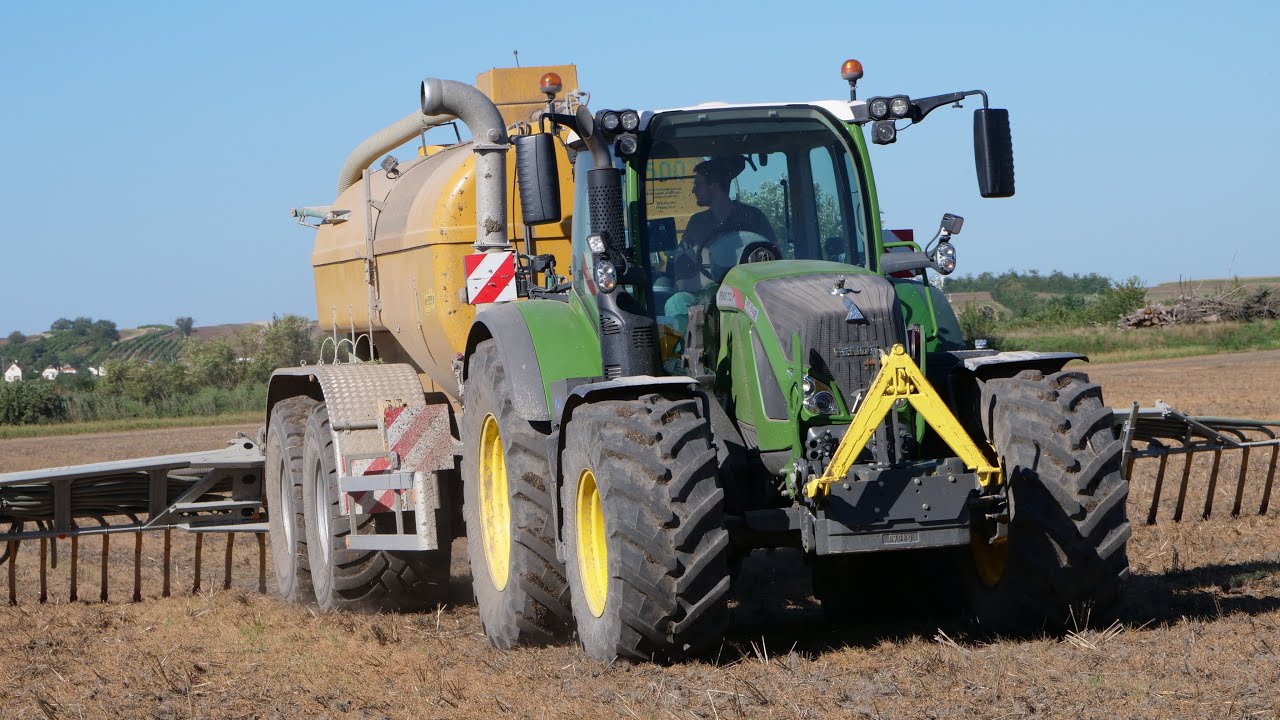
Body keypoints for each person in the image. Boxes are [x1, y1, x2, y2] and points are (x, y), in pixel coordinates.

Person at [681, 157, 777, 254]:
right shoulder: (697, 223)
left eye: (698, 184)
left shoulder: (753, 217)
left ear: (714, 185)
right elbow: (683, 259)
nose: (693, 191)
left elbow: (773, 255)